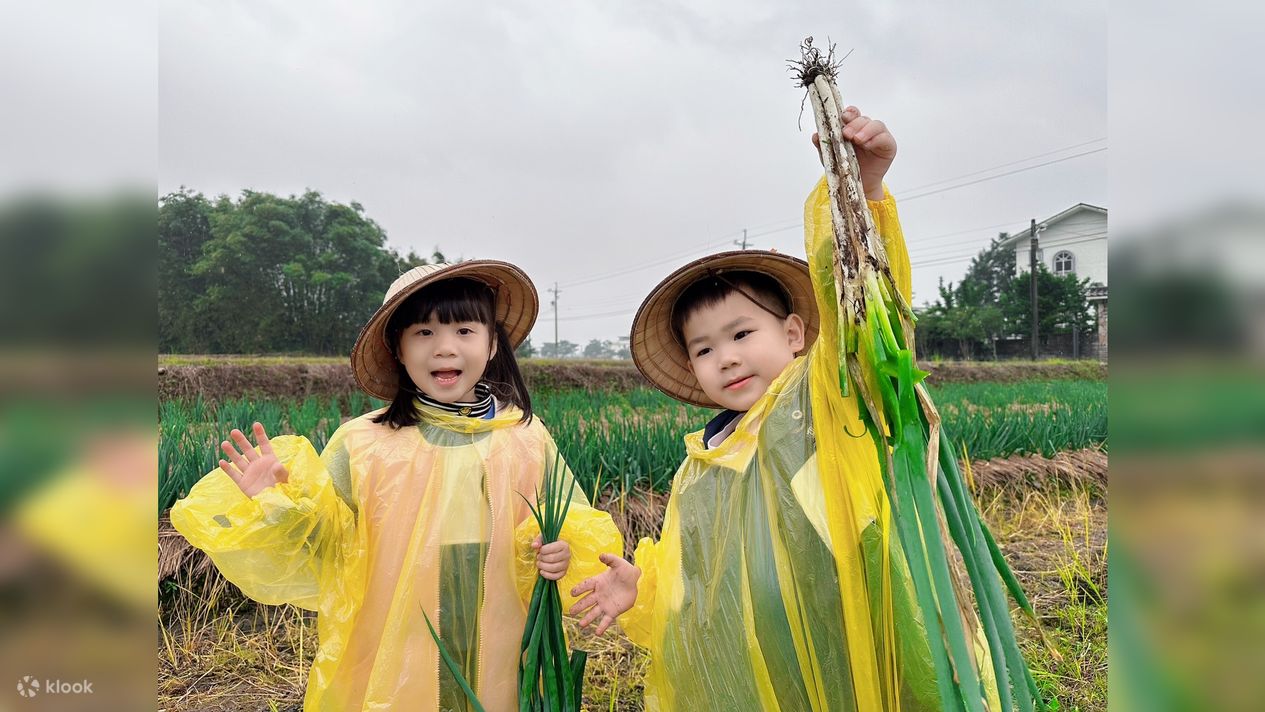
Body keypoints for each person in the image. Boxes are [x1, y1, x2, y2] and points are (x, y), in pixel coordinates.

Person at [569, 108, 1002, 711]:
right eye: (704, 349)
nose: (726, 357)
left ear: (795, 334)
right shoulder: (700, 468)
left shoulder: (823, 404)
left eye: (742, 334)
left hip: (857, 643)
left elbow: (865, 309)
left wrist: (863, 190)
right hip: (772, 672)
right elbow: (693, 579)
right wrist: (640, 590)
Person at [171, 261, 623, 712]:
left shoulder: (526, 438)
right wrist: (278, 504)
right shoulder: (362, 444)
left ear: (491, 345)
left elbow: (570, 524)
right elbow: (328, 546)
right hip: (395, 633)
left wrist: (558, 551)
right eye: (424, 332)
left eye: (464, 330)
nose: (444, 348)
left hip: (500, 629)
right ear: (398, 350)